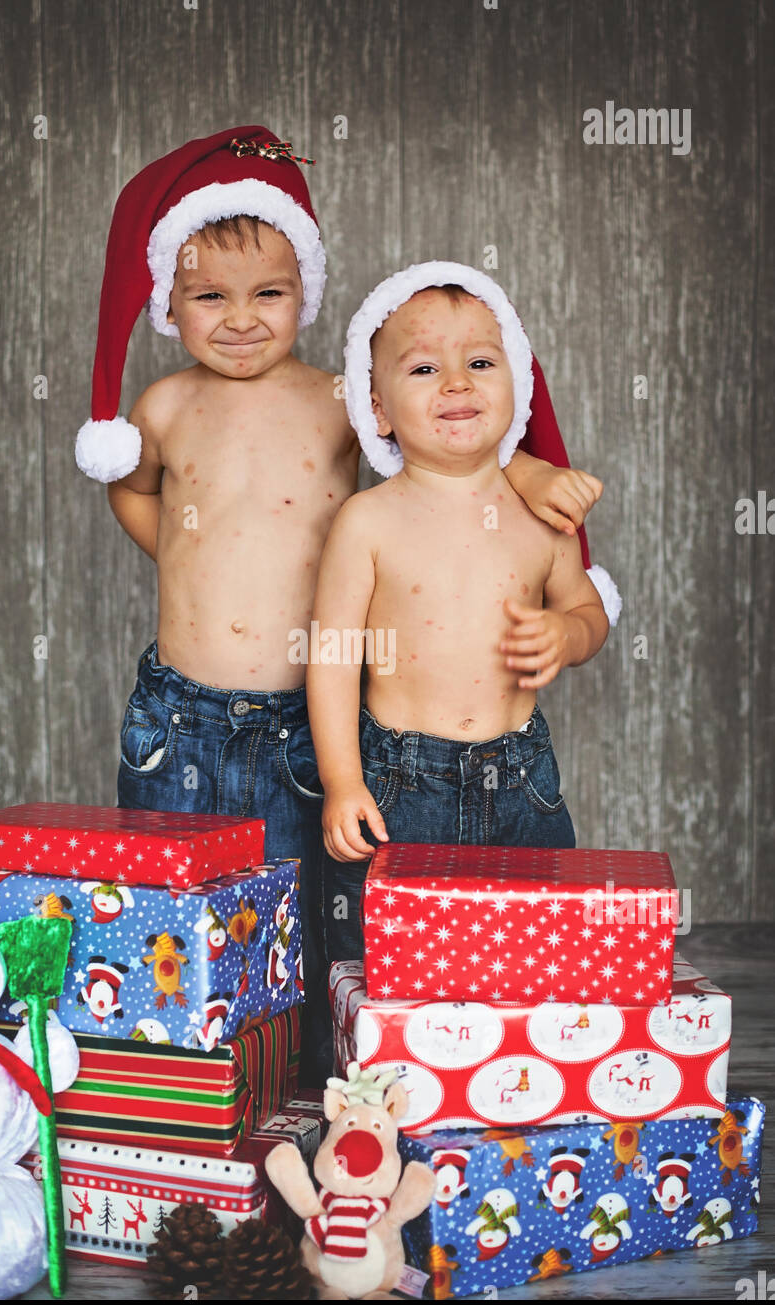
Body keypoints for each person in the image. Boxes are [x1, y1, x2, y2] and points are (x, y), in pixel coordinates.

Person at [77, 136, 608, 1080]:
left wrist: (525, 464)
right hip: (180, 713)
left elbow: (439, 445)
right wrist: (190, 558)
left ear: (305, 293)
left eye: (269, 295)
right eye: (209, 297)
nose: (241, 320)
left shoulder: (335, 399)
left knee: (307, 922)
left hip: (303, 718)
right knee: (180, 909)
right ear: (168, 301)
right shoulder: (160, 407)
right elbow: (132, 488)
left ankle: (313, 1096)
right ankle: (181, 1090)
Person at [308, 263, 621, 965]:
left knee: (535, 955)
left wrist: (569, 634)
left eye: (481, 362)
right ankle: (376, 1074)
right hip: (400, 784)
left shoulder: (543, 518)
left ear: (517, 387)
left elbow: (586, 609)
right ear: (378, 410)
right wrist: (342, 781)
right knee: (387, 963)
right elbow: (330, 659)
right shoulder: (367, 522)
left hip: (522, 782)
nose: (456, 382)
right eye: (423, 369)